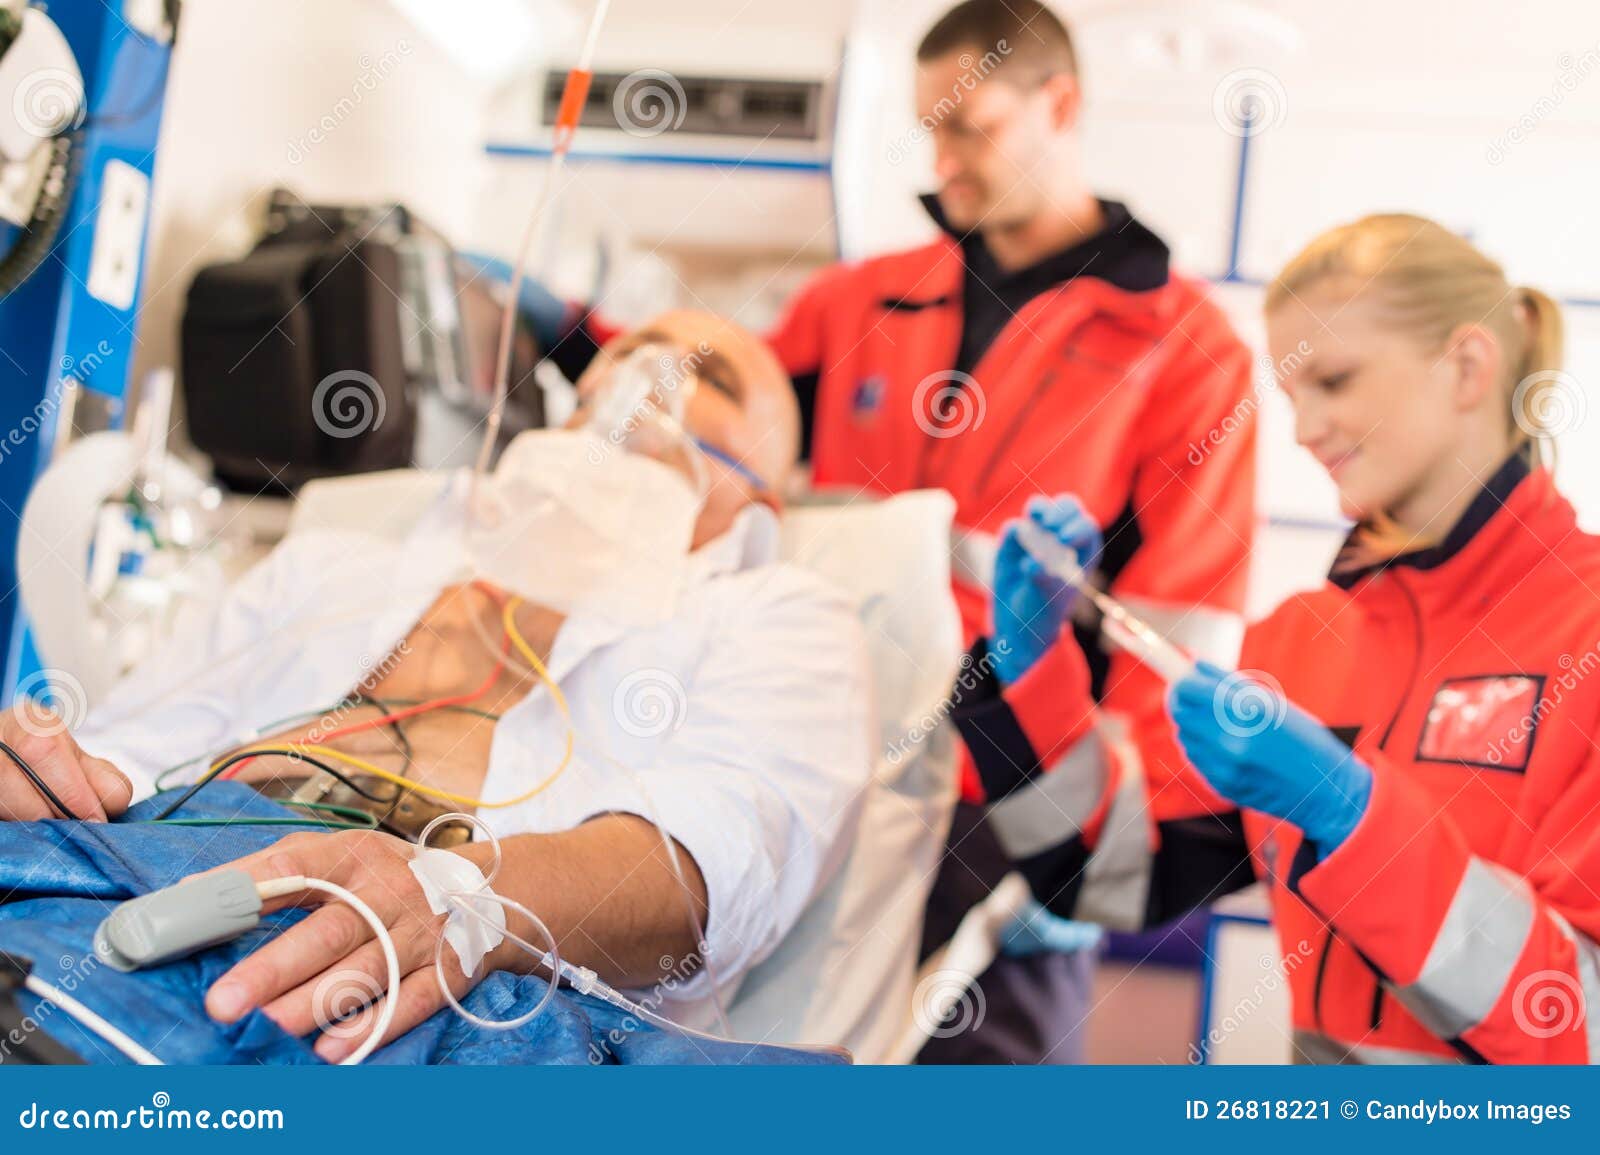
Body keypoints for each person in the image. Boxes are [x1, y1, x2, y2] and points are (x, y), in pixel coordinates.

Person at [518, 0, 1257, 1065]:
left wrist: (1087, 855)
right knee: (765, 1060)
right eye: (929, 131)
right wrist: (575, 335)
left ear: (1061, 104)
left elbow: (1174, 641)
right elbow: (724, 411)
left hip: (1006, 802)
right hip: (824, 742)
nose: (944, 161)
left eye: (972, 127)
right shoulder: (865, 301)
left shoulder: (1185, 356)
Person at [0, 311, 874, 1061]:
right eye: (628, 353)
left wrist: (467, 897)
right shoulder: (332, 571)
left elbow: (711, 865)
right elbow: (122, 752)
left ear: (768, 502)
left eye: (706, 376)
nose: (646, 380)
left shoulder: (780, 616)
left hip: (422, 992)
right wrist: (45, 767)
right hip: (135, 869)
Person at [956, 213, 1600, 1063]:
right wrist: (1033, 670)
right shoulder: (1298, 644)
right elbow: (1109, 874)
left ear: (1469, 366)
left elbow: (1577, 1019)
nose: (1303, 430)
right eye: (1292, 395)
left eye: (1334, 381)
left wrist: (1361, 823)